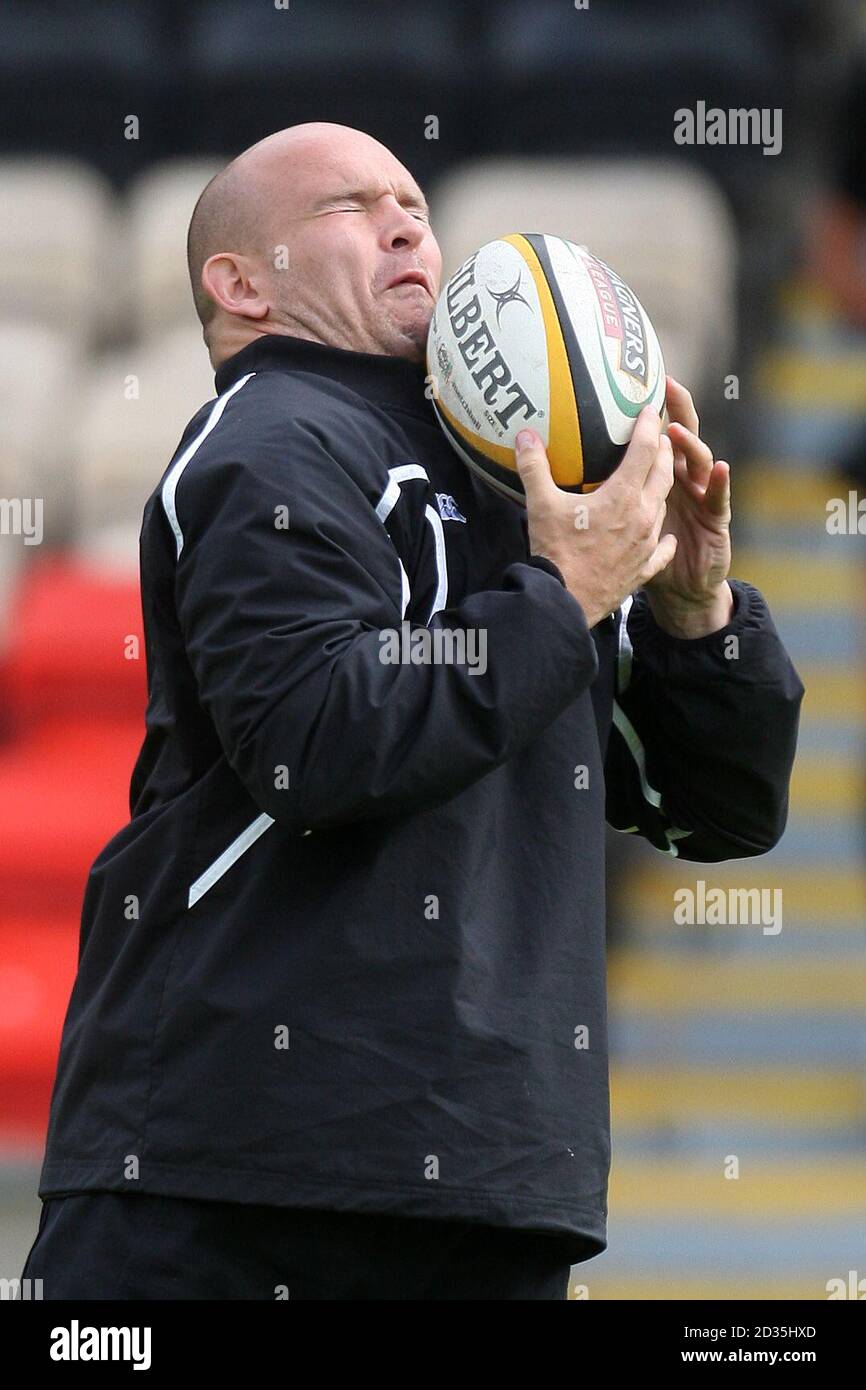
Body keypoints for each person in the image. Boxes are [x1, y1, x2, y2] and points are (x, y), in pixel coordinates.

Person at [21, 123, 804, 1300]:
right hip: (231, 1179)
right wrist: (563, 596)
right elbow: (315, 739)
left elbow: (719, 815)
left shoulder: (521, 479)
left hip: (483, 1184)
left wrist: (696, 616)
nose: (405, 225)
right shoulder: (268, 442)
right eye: (349, 205)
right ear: (239, 284)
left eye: (413, 205)